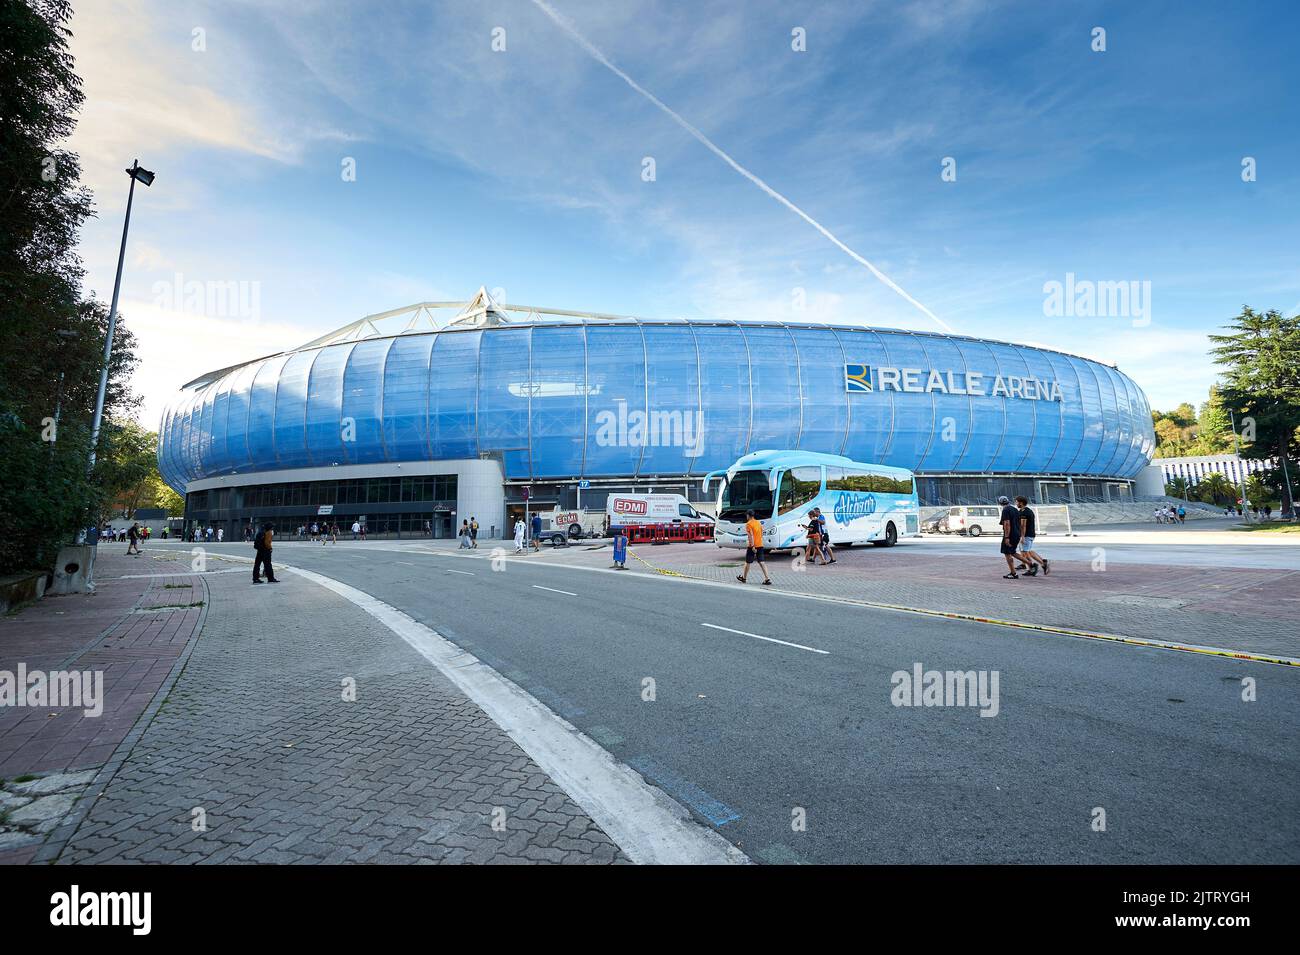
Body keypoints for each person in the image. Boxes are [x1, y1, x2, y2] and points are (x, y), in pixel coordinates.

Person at [1015, 496, 1049, 576]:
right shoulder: (1024, 511)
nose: (1016, 503)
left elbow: (1023, 526)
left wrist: (1022, 537)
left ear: (1021, 502)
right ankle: (1041, 562)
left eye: (1016, 502)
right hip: (1029, 534)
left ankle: (1033, 568)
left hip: (1026, 535)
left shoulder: (1024, 513)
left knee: (1025, 552)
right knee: (1027, 551)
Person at [737, 509, 772, 585]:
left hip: (752, 546)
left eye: (746, 515)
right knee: (762, 562)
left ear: (748, 515)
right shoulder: (758, 523)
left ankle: (744, 578)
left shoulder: (748, 524)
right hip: (760, 545)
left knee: (748, 562)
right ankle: (767, 578)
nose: (746, 516)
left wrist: (752, 546)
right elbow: (761, 533)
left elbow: (751, 535)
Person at [997, 496, 1022, 579]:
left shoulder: (1005, 510)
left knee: (1007, 553)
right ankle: (1030, 564)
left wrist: (1007, 537)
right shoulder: (1015, 509)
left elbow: (1007, 524)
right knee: (1012, 552)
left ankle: (1013, 573)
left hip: (1009, 535)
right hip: (1016, 534)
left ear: (1000, 503)